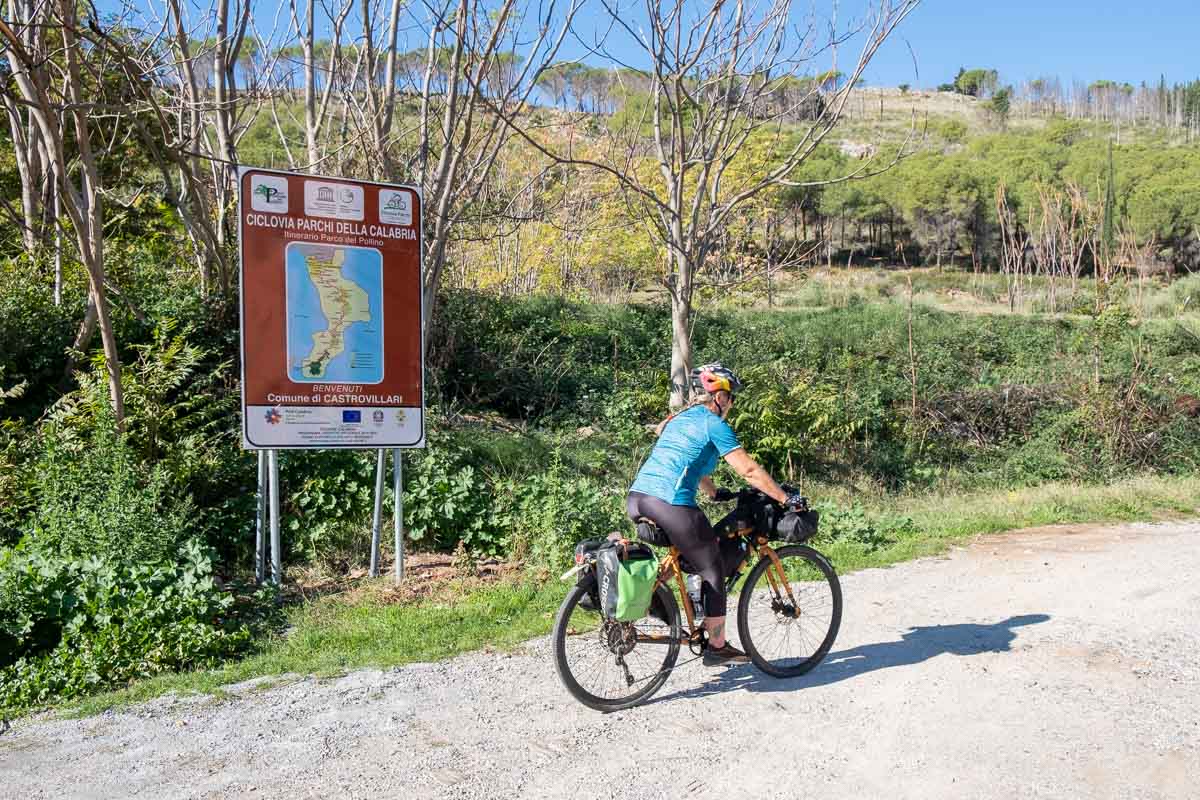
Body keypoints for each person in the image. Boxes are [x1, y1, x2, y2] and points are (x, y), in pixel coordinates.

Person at [626, 362, 802, 666]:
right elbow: (748, 470)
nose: (731, 403)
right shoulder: (714, 424)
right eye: (731, 396)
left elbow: (685, 460)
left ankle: (651, 599)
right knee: (713, 568)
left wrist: (713, 492)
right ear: (719, 397)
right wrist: (786, 498)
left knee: (688, 551)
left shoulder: (678, 419)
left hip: (638, 498)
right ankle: (717, 647)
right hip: (669, 501)